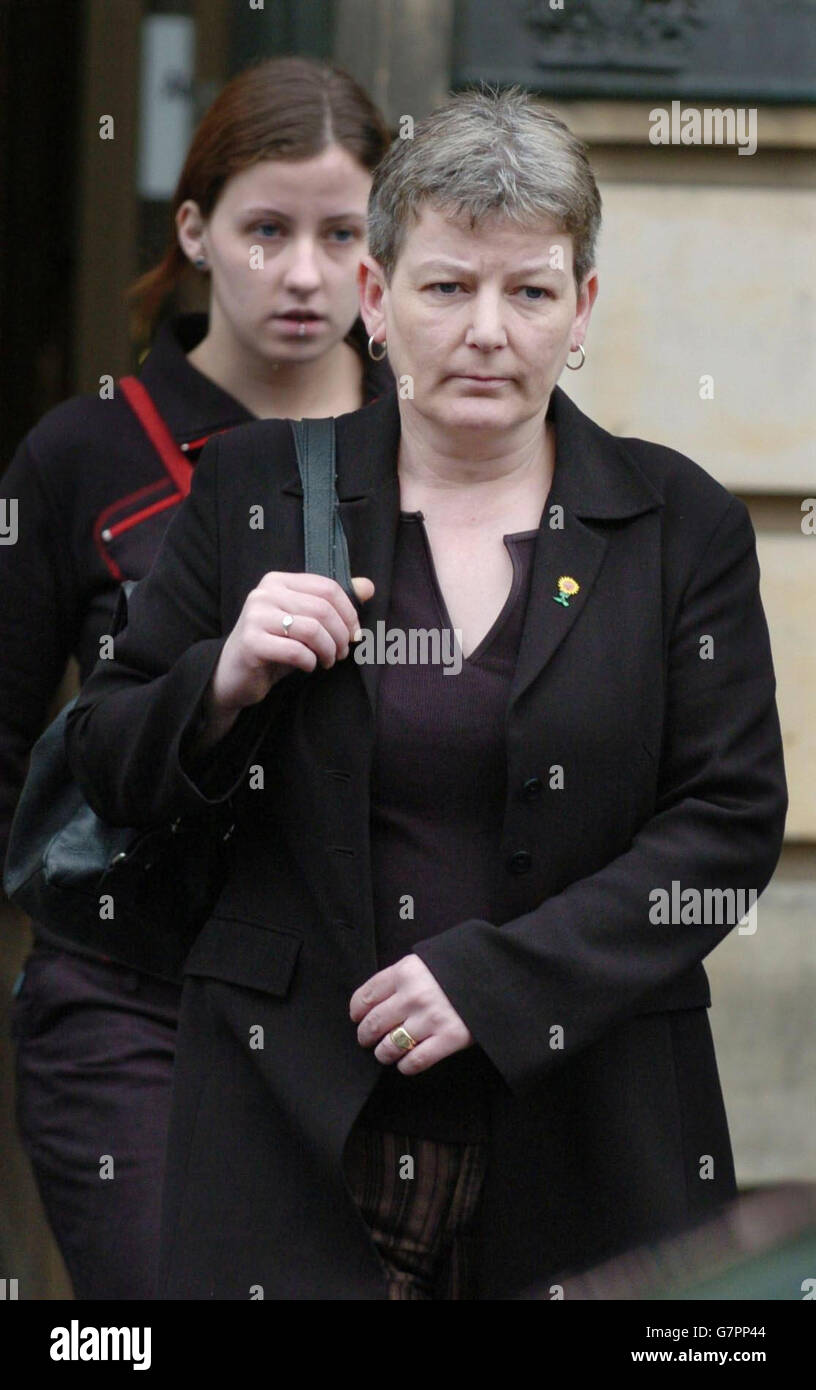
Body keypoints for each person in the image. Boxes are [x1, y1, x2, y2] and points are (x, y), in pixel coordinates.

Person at [64, 86, 787, 1301]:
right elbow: (105, 758)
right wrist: (222, 678)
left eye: (531, 291)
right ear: (376, 301)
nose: (488, 331)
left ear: (583, 310)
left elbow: (727, 830)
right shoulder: (253, 490)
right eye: (449, 287)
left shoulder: (681, 523)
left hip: (590, 1141)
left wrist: (498, 983)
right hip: (288, 1136)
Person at [2, 55, 391, 1300]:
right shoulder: (82, 450)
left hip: (367, 1017)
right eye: (265, 229)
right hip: (135, 1005)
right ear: (194, 231)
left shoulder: (435, 438)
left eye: (343, 235)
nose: (303, 274)